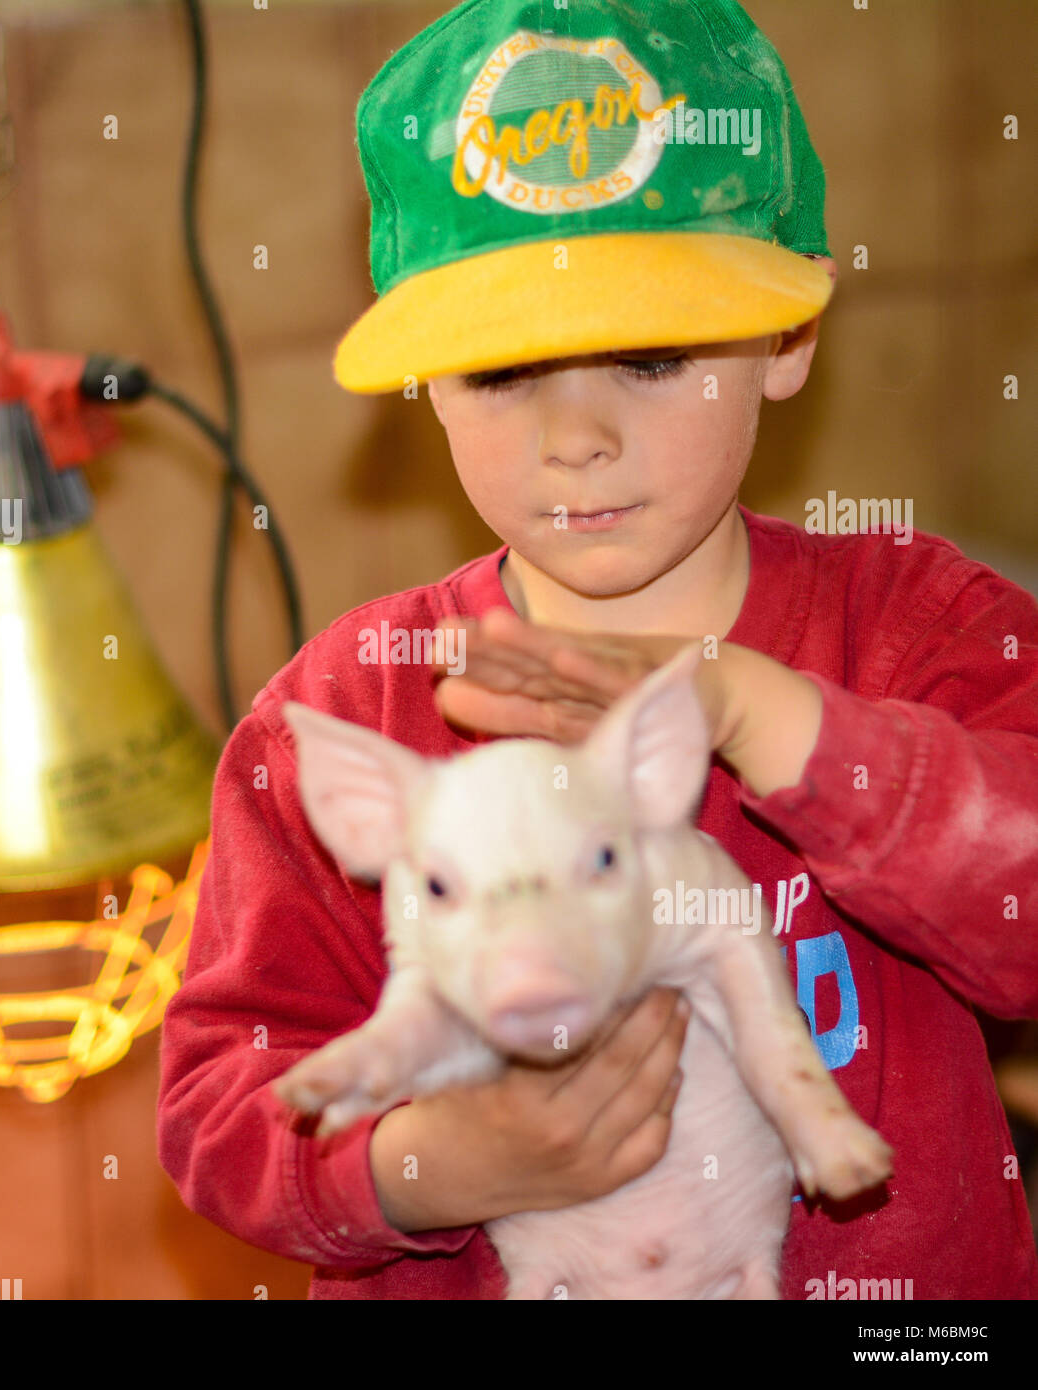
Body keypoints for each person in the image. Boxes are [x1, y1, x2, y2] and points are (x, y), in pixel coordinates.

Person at [157, 0, 1038, 1298]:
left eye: (648, 354)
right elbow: (218, 1103)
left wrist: (764, 713)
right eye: (505, 374)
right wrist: (430, 1163)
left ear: (787, 339)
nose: (575, 437)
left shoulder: (923, 628)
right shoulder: (345, 714)